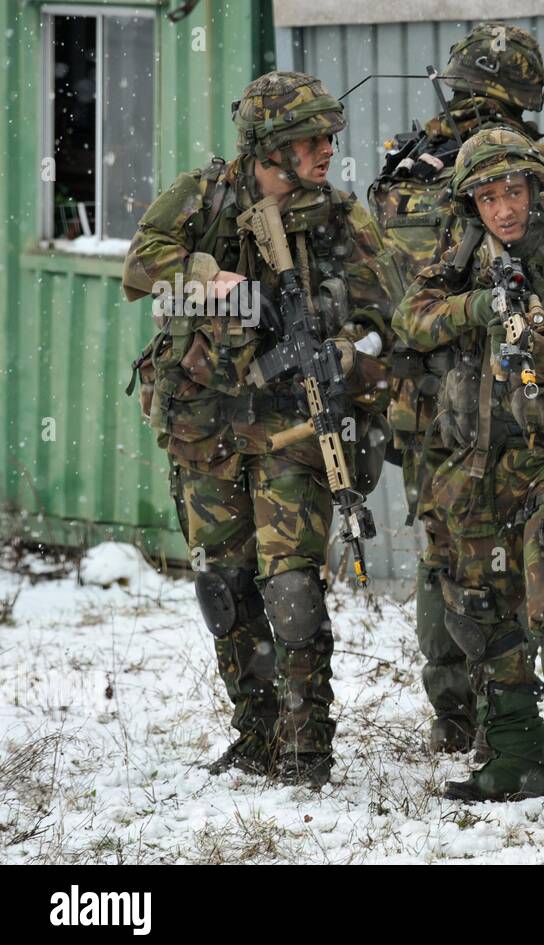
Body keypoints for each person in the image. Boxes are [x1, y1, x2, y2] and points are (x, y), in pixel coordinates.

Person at [122, 71, 398, 788]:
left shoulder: (339, 218)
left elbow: (387, 316)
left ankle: (307, 748)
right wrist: (212, 278)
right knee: (225, 586)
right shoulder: (205, 197)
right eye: (314, 140)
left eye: (331, 138)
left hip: (292, 428)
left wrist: (346, 352)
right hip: (207, 425)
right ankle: (257, 736)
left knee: (291, 589)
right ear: (272, 146)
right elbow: (140, 264)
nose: (329, 151)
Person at [369, 21, 544, 756]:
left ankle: (471, 720)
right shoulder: (537, 166)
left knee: (454, 560)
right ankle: (507, 728)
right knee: (515, 565)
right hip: (503, 403)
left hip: (447, 402)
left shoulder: (408, 167)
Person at [392, 128, 544, 814]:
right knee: (480, 602)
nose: (504, 210)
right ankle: (515, 755)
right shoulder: (464, 251)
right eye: (488, 198)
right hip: (480, 458)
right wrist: (481, 307)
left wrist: (539, 340)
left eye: (513, 192)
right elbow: (413, 316)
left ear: (534, 188)